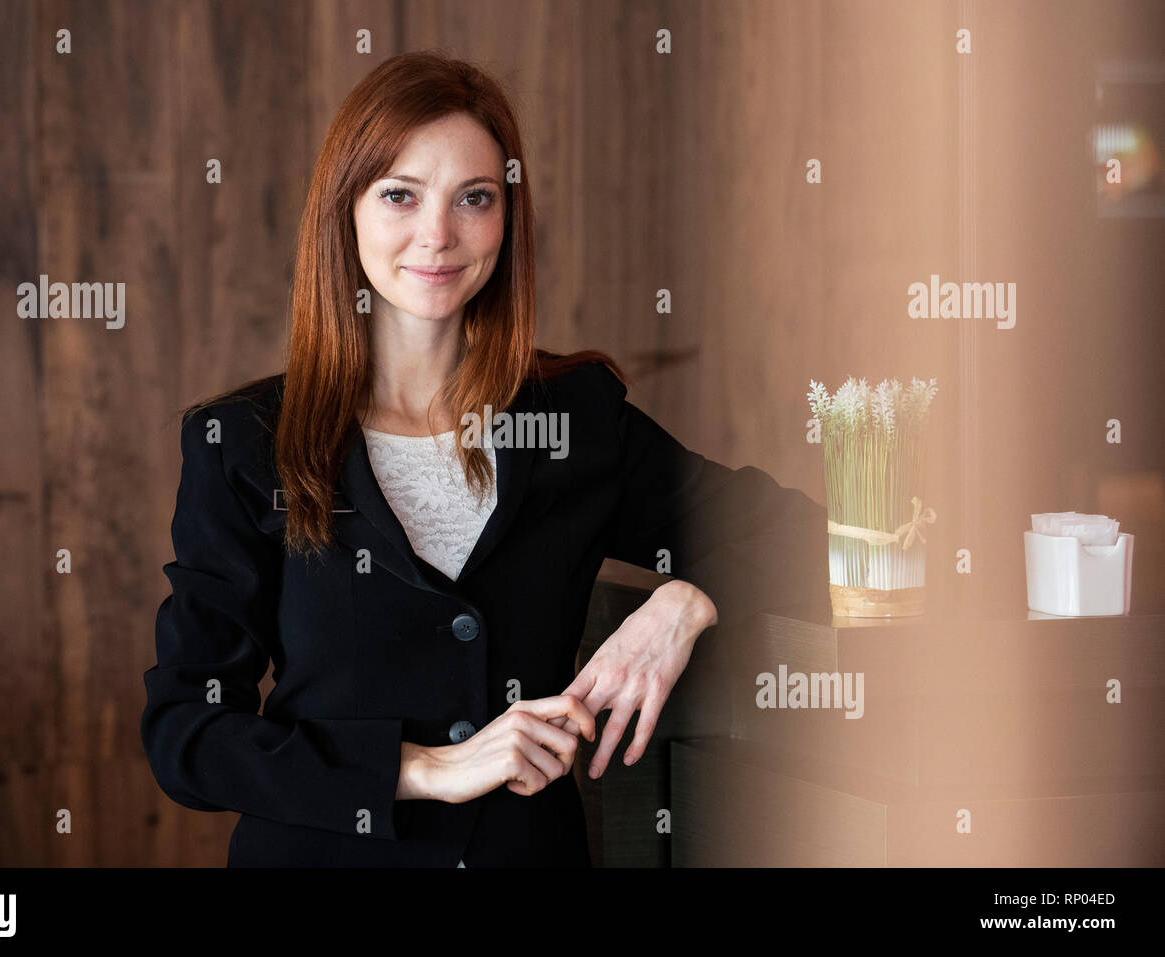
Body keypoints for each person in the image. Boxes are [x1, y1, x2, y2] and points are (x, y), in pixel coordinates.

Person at [140, 50, 830, 867]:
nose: (438, 234)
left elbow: (814, 538)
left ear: (507, 218)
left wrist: (682, 604)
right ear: (345, 209)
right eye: (400, 195)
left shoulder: (575, 418)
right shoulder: (244, 443)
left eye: (475, 198)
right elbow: (189, 733)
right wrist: (428, 769)